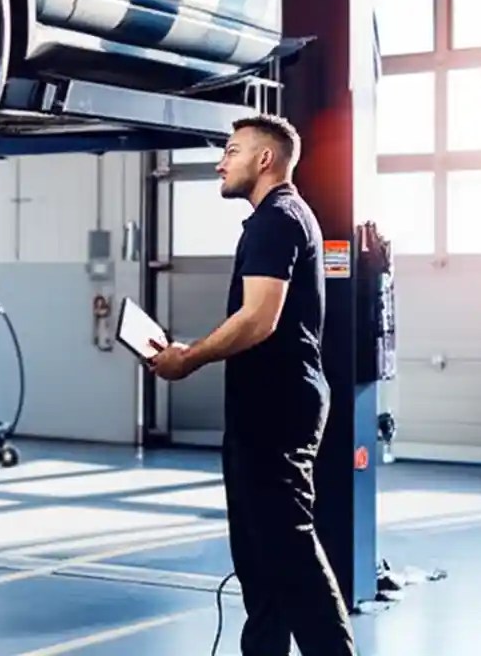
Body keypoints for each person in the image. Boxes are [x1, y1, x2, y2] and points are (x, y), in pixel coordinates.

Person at [148, 115, 357, 656]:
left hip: (277, 408)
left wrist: (188, 358)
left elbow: (259, 317)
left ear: (265, 159)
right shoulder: (278, 219)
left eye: (232, 150)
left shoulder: (278, 219)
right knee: (260, 562)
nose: (221, 161)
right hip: (267, 405)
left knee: (288, 552)